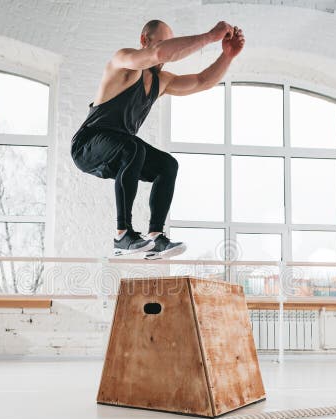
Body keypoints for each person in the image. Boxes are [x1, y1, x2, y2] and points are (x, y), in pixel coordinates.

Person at [71, 19, 245, 259]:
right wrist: (210, 37)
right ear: (145, 40)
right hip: (87, 145)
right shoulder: (124, 62)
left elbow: (202, 81)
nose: (167, 54)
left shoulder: (161, 82)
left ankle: (155, 237)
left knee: (167, 165)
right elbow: (160, 53)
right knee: (133, 148)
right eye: (165, 42)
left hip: (120, 150)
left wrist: (227, 56)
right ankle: (122, 235)